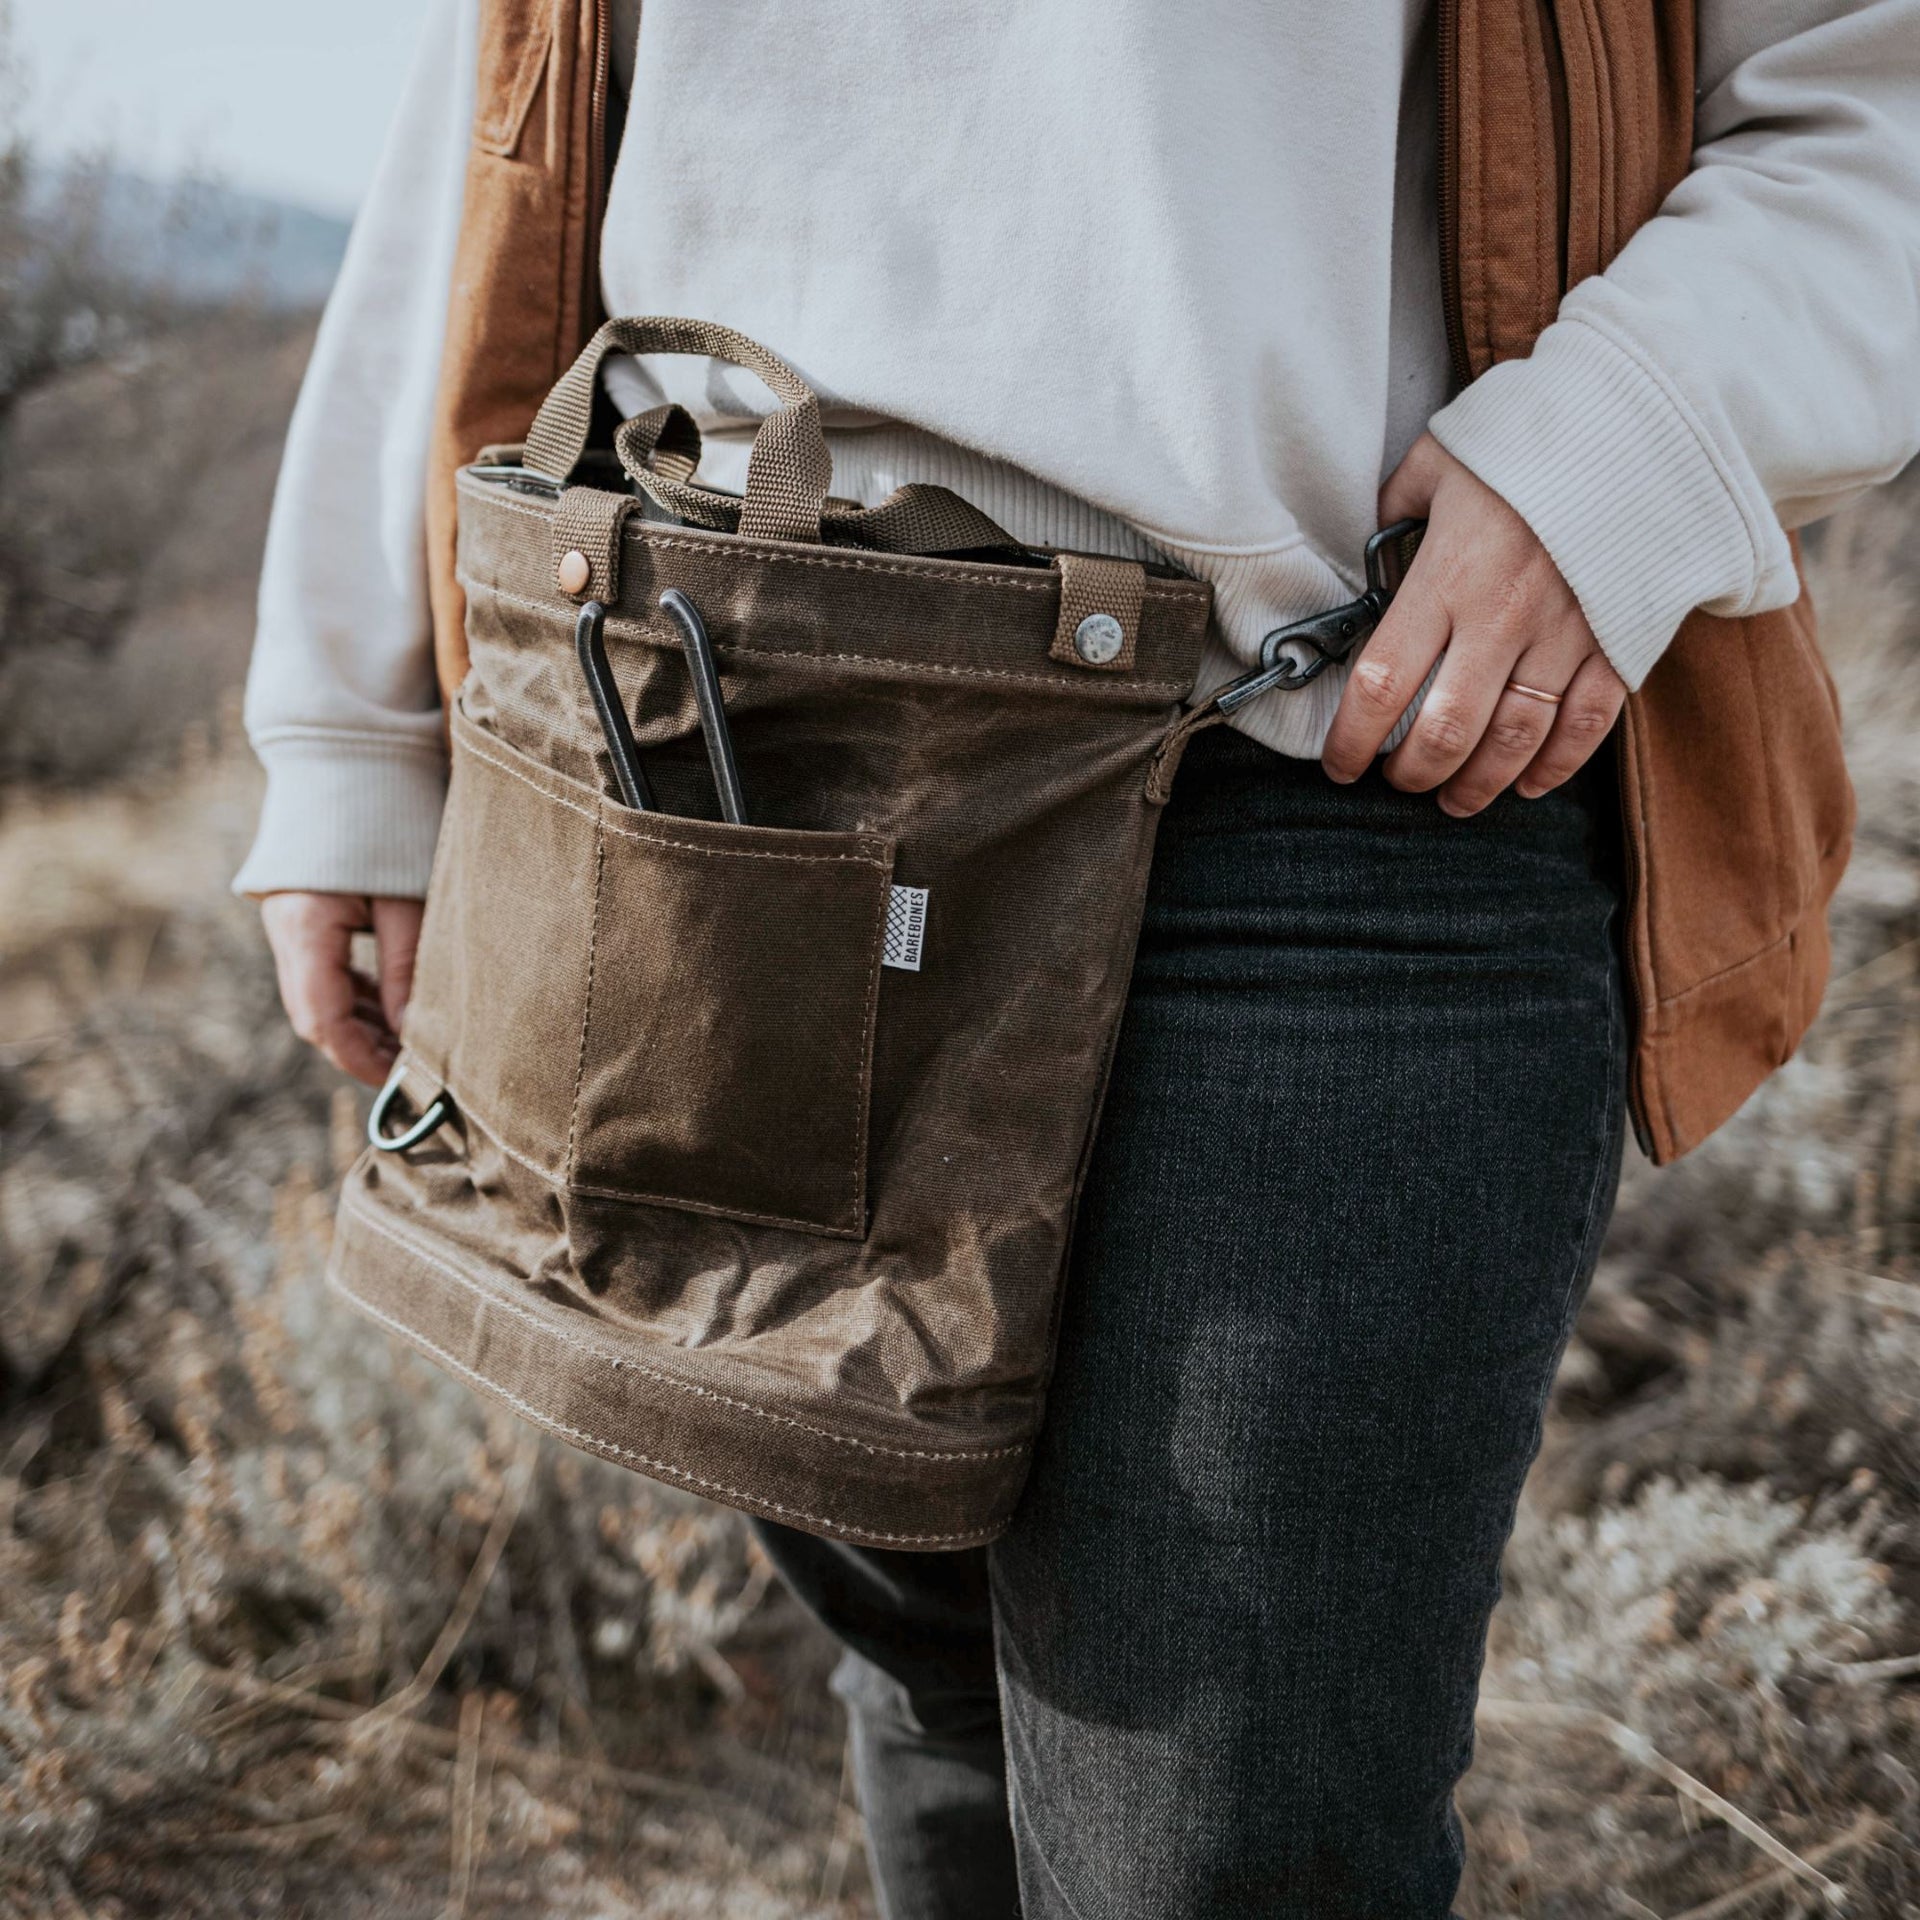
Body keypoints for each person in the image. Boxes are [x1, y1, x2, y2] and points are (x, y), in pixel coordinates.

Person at [238, 2, 1920, 1912]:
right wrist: (360, 720)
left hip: (1337, 775)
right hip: (732, 759)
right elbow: (497, 104)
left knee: (1218, 1860)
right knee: (938, 1685)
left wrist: (1629, 438)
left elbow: (1872, 105)